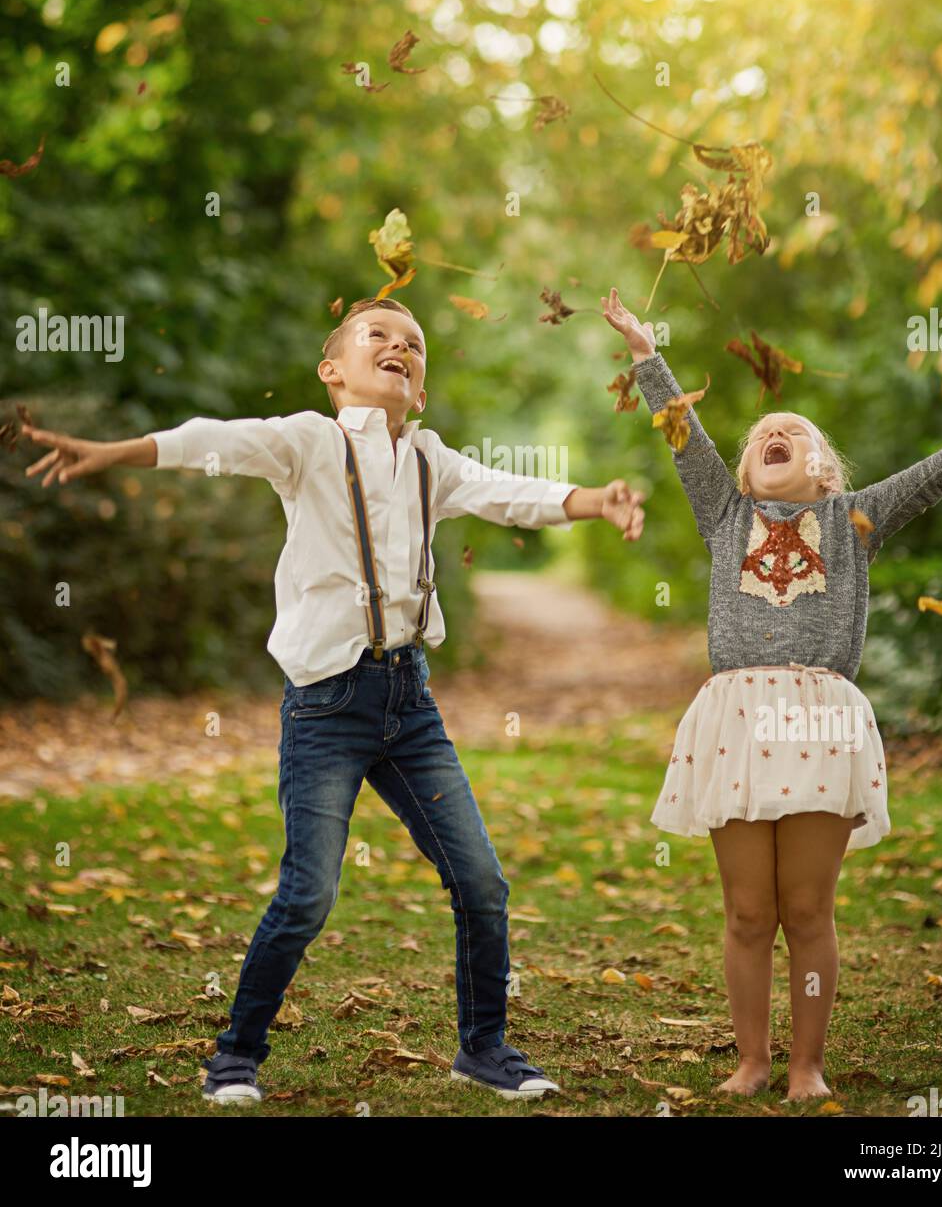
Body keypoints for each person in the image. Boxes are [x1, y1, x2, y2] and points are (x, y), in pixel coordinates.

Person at [23, 296, 646, 1104]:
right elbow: (217, 440)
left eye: (414, 345)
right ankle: (235, 1057)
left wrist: (592, 500)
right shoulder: (308, 443)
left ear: (419, 388)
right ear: (333, 371)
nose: (399, 347)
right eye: (377, 336)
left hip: (409, 705)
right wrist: (114, 452)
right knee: (309, 891)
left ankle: (483, 1049)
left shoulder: (431, 462)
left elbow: (506, 491)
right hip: (325, 705)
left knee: (481, 881)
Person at [602, 285, 942, 1101]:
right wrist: (642, 348)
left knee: (804, 909)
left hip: (820, 722)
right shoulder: (724, 515)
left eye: (791, 433)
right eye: (762, 432)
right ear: (742, 466)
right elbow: (681, 433)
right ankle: (753, 1060)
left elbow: (937, 472)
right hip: (734, 721)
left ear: (823, 469)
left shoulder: (854, 522)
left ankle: (804, 1066)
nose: (773, 433)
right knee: (747, 913)